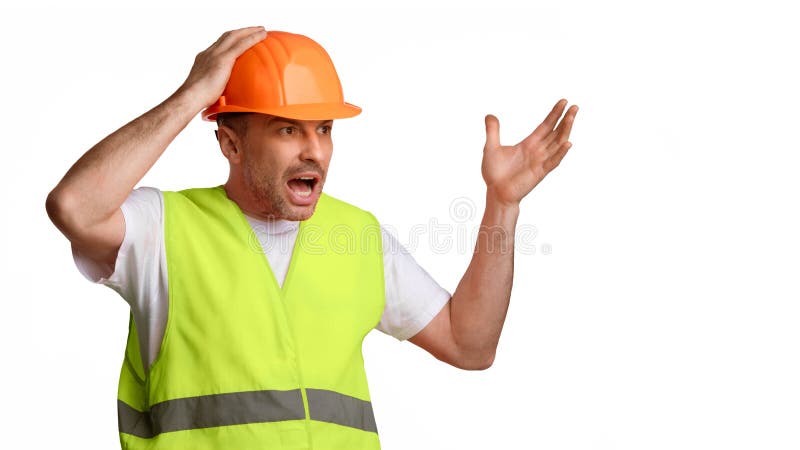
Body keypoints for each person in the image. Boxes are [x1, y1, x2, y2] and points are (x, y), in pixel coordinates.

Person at [45, 26, 578, 450]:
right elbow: (74, 207)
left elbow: (471, 345)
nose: (314, 151)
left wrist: (502, 203)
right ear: (230, 144)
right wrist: (192, 97)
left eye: (324, 128)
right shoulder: (162, 229)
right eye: (288, 129)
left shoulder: (357, 237)